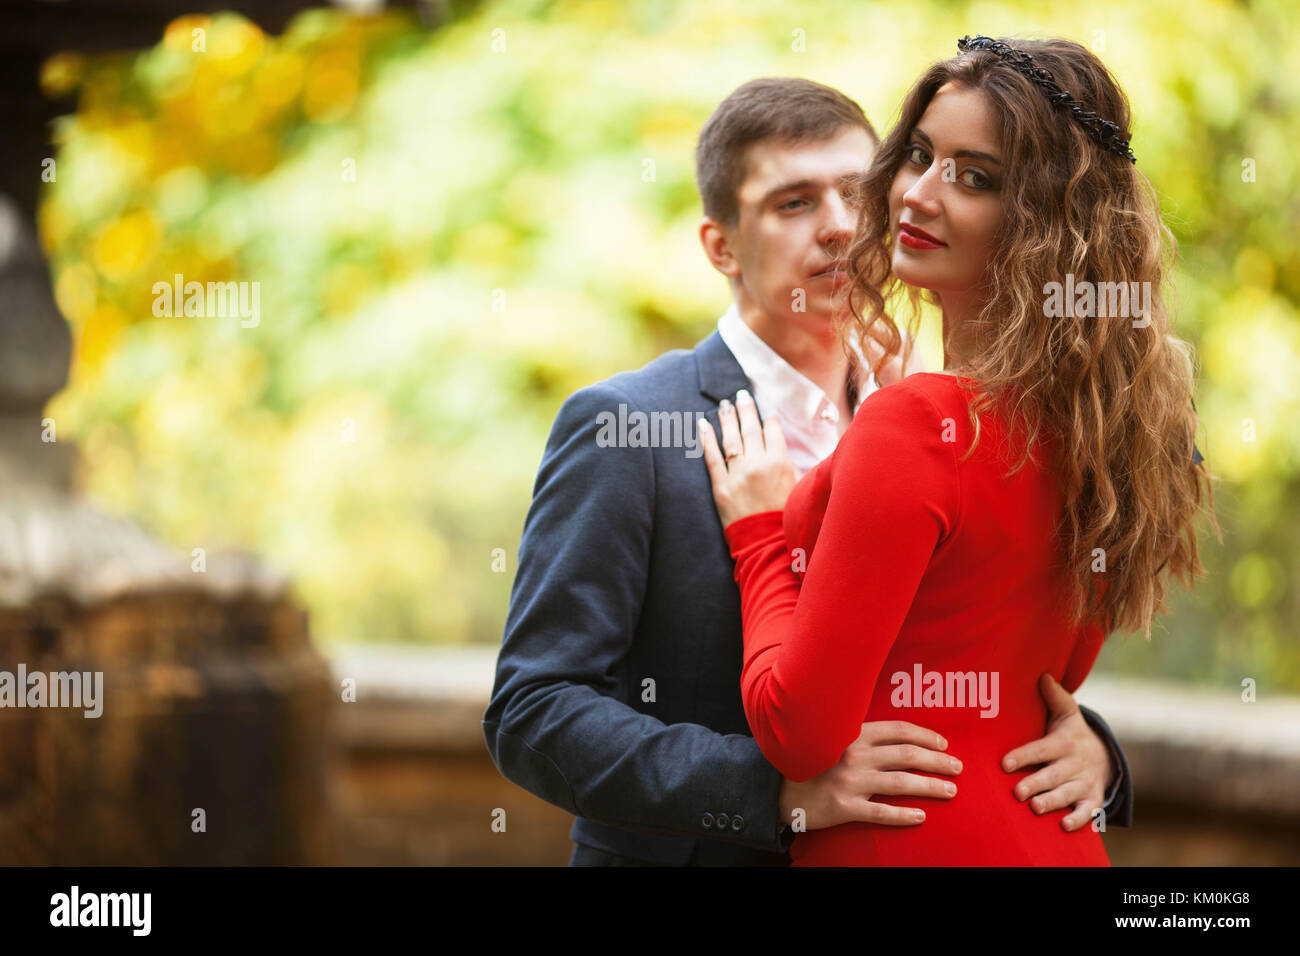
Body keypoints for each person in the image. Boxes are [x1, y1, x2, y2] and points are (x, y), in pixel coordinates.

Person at [484, 76, 1132, 867]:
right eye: (793, 203)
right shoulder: (626, 429)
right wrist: (771, 793)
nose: (838, 227)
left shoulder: (959, 422)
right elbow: (532, 709)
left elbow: (986, 655)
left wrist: (1096, 751)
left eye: (858, 192)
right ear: (722, 246)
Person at [700, 40, 1211, 865]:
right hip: (1048, 838)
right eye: (921, 157)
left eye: (975, 178)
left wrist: (760, 537)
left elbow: (798, 732)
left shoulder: (915, 422)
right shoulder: (1116, 426)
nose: (918, 195)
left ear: (1045, 223)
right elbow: (1053, 682)